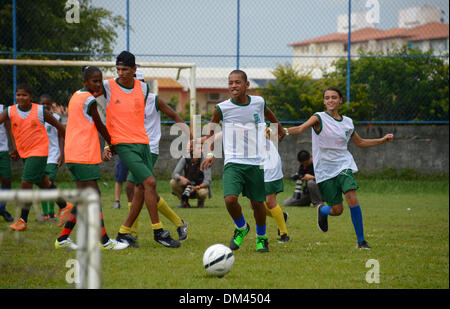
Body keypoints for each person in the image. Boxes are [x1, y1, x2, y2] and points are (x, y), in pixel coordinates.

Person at [284, 87, 394, 249]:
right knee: (337, 210)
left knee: (352, 197)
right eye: (327, 98)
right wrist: (278, 131)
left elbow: (360, 142)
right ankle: (322, 211)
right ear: (324, 101)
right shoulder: (319, 117)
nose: (330, 100)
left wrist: (382, 140)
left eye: (334, 97)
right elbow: (300, 129)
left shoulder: (348, 122)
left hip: (343, 165)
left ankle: (361, 242)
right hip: (324, 170)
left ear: (340, 100)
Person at [100, 51, 182, 248]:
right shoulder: (108, 86)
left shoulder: (145, 91)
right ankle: (158, 231)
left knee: (139, 189)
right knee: (149, 182)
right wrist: (107, 143)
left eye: (125, 69)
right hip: (123, 144)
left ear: (134, 70)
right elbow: (91, 102)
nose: (120, 73)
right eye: (118, 69)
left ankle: (124, 232)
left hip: (143, 143)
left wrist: (190, 137)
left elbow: (173, 115)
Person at [201, 69, 286, 253]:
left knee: (257, 204)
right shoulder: (222, 108)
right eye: (230, 82)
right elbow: (211, 131)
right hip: (233, 161)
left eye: (237, 82)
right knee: (230, 199)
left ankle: (261, 238)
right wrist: (210, 154)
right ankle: (241, 227)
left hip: (256, 161)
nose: (233, 86)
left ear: (246, 85)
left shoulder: (258, 102)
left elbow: (270, 116)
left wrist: (280, 130)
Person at [55, 66, 128, 250]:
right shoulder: (89, 100)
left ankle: (63, 238)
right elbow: (100, 125)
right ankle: (104, 241)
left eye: (99, 81)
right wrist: (112, 144)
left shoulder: (76, 96)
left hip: (73, 154)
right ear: (85, 82)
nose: (97, 84)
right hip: (83, 154)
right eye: (94, 81)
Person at [115, 67, 190, 247]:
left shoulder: (153, 100)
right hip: (131, 147)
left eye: (137, 83)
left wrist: (190, 136)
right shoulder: (125, 101)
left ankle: (130, 232)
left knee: (136, 187)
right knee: (141, 189)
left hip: (150, 149)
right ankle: (178, 223)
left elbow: (174, 115)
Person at [0, 83, 72, 231]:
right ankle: (65, 206)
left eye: (24, 95)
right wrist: (14, 148)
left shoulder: (40, 110)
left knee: (26, 183)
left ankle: (22, 220)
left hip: (39, 152)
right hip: (25, 153)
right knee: (43, 183)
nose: (21, 97)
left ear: (31, 97)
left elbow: (59, 126)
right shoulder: (10, 111)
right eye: (18, 95)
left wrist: (69, 146)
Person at [39, 94, 65, 222]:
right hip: (40, 156)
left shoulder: (56, 118)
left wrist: (61, 153)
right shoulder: (36, 117)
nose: (45, 106)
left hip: (53, 155)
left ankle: (52, 213)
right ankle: (45, 214)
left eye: (47, 104)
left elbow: (61, 136)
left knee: (49, 182)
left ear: (51, 105)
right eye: (43, 104)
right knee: (42, 185)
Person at [262, 130, 290, 243]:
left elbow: (277, 134)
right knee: (254, 204)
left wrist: (267, 133)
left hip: (270, 165)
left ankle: (284, 235)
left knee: (270, 201)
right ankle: (280, 216)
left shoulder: (259, 124)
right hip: (257, 165)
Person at [0, 103, 15, 222]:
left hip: (3, 150)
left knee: (6, 180)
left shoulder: (3, 109)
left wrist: (15, 147)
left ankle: (1, 208)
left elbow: (9, 129)